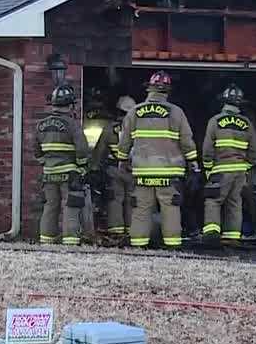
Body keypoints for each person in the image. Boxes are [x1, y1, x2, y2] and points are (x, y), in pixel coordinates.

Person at [117, 71, 198, 249]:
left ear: (149, 89)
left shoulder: (134, 112)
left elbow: (124, 142)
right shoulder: (176, 112)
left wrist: (122, 162)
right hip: (169, 172)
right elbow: (186, 141)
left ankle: (138, 244)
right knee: (170, 208)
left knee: (140, 209)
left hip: (142, 171)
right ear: (167, 91)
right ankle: (172, 246)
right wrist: (194, 164)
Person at [201, 84, 256, 247]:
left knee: (213, 200)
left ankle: (212, 233)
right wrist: (247, 166)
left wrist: (208, 168)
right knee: (235, 202)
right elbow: (253, 150)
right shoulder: (247, 123)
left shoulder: (215, 121)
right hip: (240, 171)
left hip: (220, 170)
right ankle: (232, 237)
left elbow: (207, 147)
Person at [34, 83, 90, 245]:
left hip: (49, 173)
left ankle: (46, 240)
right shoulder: (72, 124)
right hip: (69, 174)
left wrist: (45, 162)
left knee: (50, 206)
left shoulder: (40, 125)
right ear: (71, 105)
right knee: (70, 206)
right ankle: (70, 240)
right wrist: (82, 167)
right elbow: (82, 149)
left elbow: (36, 150)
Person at [90, 95, 136, 243]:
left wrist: (94, 169)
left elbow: (100, 151)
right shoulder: (140, 127)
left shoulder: (110, 129)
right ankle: (132, 231)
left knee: (115, 200)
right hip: (134, 170)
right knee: (132, 201)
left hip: (114, 170)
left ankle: (116, 232)